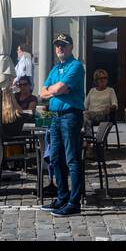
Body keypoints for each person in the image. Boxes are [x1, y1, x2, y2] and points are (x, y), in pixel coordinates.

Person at [40, 33, 85, 216]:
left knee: (72, 159)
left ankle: (74, 202)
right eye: (57, 45)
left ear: (71, 47)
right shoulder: (56, 68)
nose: (59, 48)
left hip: (70, 116)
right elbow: (42, 92)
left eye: (63, 45)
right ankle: (62, 197)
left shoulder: (76, 66)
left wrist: (54, 90)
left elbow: (59, 88)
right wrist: (55, 90)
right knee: (56, 159)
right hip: (55, 116)